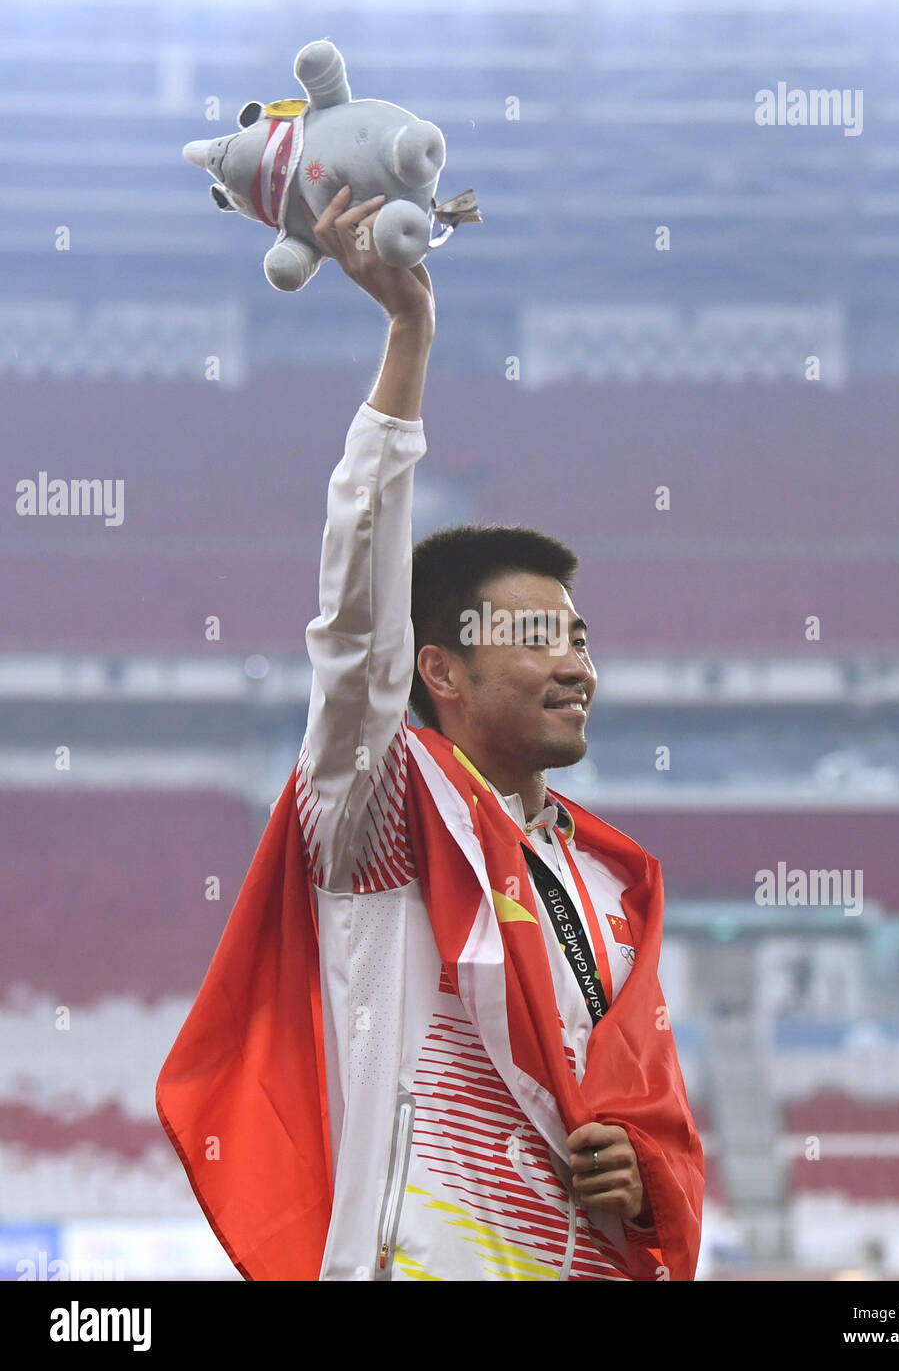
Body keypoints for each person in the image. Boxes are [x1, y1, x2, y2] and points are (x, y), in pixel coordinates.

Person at [157, 186, 704, 1282]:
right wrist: (408, 336)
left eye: (580, 637)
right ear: (438, 670)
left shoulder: (607, 883)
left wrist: (643, 1174)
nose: (574, 663)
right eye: (536, 636)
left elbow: (648, 1119)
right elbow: (354, 624)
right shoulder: (384, 821)